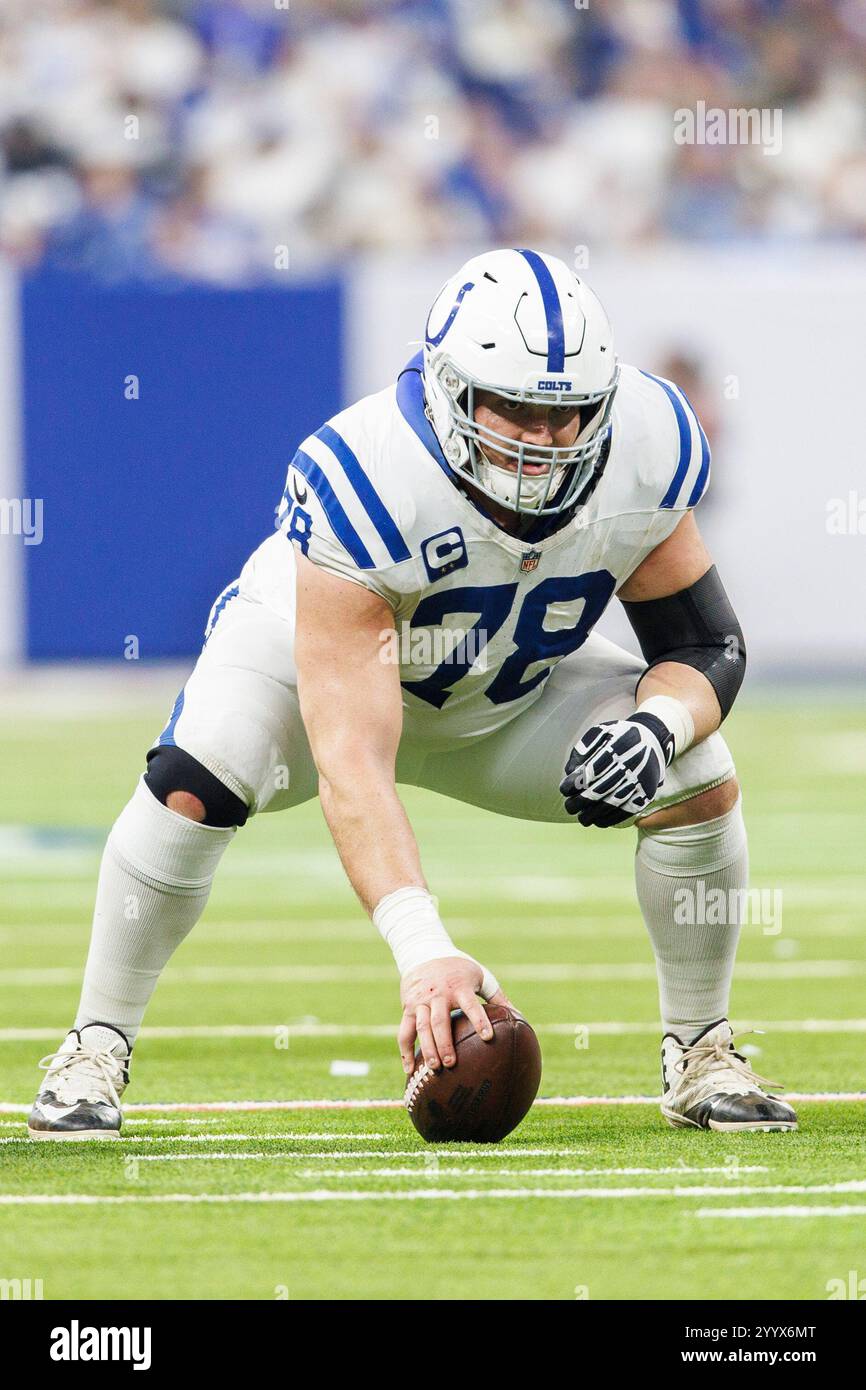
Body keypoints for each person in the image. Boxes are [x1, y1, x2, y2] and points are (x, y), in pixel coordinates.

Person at [29, 248, 796, 1138]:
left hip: (506, 694)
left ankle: (700, 1050)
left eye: (566, 413)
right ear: (447, 389)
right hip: (307, 676)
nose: (541, 440)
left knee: (695, 766)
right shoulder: (370, 472)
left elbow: (705, 642)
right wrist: (425, 952)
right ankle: (94, 1046)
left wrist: (658, 726)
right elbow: (353, 757)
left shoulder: (646, 440)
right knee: (203, 771)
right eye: (513, 407)